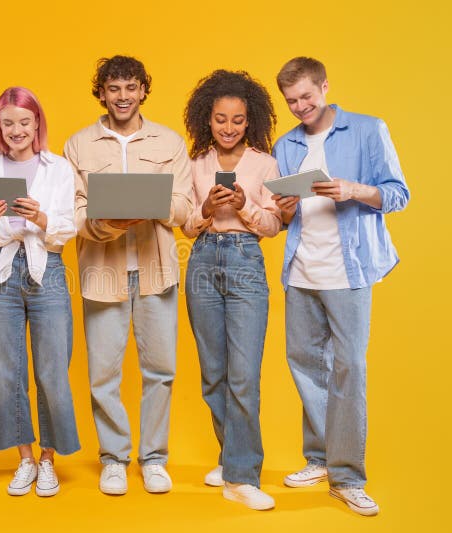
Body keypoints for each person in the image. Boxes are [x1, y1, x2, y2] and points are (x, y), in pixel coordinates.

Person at [271, 57, 410, 516]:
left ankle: (347, 476)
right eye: (291, 101)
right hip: (301, 271)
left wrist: (354, 190)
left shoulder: (367, 130)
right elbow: (285, 217)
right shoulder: (286, 144)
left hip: (349, 271)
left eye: (307, 96)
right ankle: (320, 458)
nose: (300, 107)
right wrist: (283, 208)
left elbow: (398, 194)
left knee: (348, 368)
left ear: (325, 86)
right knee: (306, 365)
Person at [63, 55, 193, 495]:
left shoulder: (169, 142)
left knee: (161, 370)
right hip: (102, 273)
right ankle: (114, 459)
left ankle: (154, 459)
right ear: (102, 93)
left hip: (157, 271)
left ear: (143, 91)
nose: (123, 96)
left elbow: (185, 207)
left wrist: (151, 205)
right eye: (114, 88)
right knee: (103, 375)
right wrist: (107, 223)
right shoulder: (79, 145)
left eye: (131, 87)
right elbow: (73, 211)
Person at [0, 87, 80, 497]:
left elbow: (68, 226)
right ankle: (25, 459)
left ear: (37, 124)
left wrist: (42, 217)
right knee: (5, 369)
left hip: (47, 268)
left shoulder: (59, 168)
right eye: (7, 123)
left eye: (24, 122)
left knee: (52, 367)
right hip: (3, 271)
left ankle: (48, 459)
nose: (16, 130)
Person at [181, 70, 281, 510]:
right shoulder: (195, 163)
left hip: (244, 260)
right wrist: (205, 208)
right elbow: (186, 225)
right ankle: (230, 456)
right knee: (214, 374)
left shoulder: (265, 164)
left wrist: (246, 208)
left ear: (249, 120)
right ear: (207, 118)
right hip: (203, 260)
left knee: (243, 375)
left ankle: (241, 477)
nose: (228, 127)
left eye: (238, 120)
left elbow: (274, 224)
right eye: (221, 119)